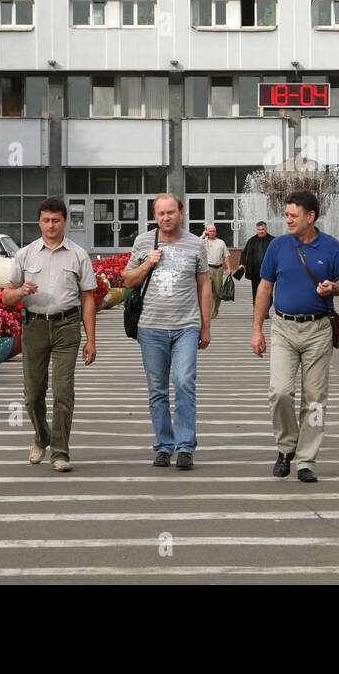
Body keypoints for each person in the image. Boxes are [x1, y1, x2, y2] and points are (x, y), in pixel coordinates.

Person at [252, 190, 339, 483]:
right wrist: (257, 329)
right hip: (282, 328)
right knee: (279, 391)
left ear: (311, 217)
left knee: (315, 399)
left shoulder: (330, 246)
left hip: (318, 330)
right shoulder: (278, 246)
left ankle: (306, 460)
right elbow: (264, 288)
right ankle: (286, 447)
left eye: (294, 215)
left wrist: (332, 287)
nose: (288, 220)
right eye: (287, 214)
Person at [2, 197, 98, 473]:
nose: (51, 225)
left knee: (63, 391)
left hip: (67, 326)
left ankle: (59, 451)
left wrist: (91, 339)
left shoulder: (78, 254)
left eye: (56, 220)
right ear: (39, 222)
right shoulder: (26, 254)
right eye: (46, 220)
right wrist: (20, 292)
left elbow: (88, 298)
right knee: (33, 394)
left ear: (65, 221)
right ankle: (41, 436)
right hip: (34, 327)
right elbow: (6, 295)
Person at [123, 194, 211, 470]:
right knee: (157, 390)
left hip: (186, 326)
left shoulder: (197, 244)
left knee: (185, 382)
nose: (166, 217)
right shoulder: (143, 242)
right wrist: (147, 263)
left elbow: (204, 286)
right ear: (155, 215)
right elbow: (128, 280)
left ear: (181, 213)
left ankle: (185, 447)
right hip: (151, 327)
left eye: (170, 212)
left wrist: (205, 325)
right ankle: (164, 445)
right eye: (160, 213)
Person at [241, 221, 274, 314]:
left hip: (268, 271)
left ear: (266, 229)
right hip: (254, 271)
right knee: (255, 291)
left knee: (267, 292)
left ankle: (266, 310)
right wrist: (242, 263)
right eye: (259, 229)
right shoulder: (252, 240)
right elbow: (244, 253)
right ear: (257, 230)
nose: (261, 231)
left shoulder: (273, 240)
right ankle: (257, 311)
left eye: (262, 229)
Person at [200, 224, 232, 319]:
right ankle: (208, 312)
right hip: (208, 268)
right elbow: (195, 243)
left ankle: (215, 309)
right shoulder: (203, 242)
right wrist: (203, 235)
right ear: (206, 231)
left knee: (217, 292)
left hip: (219, 269)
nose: (212, 233)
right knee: (208, 291)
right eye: (210, 231)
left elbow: (226, 255)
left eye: (213, 231)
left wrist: (229, 268)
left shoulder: (221, 242)